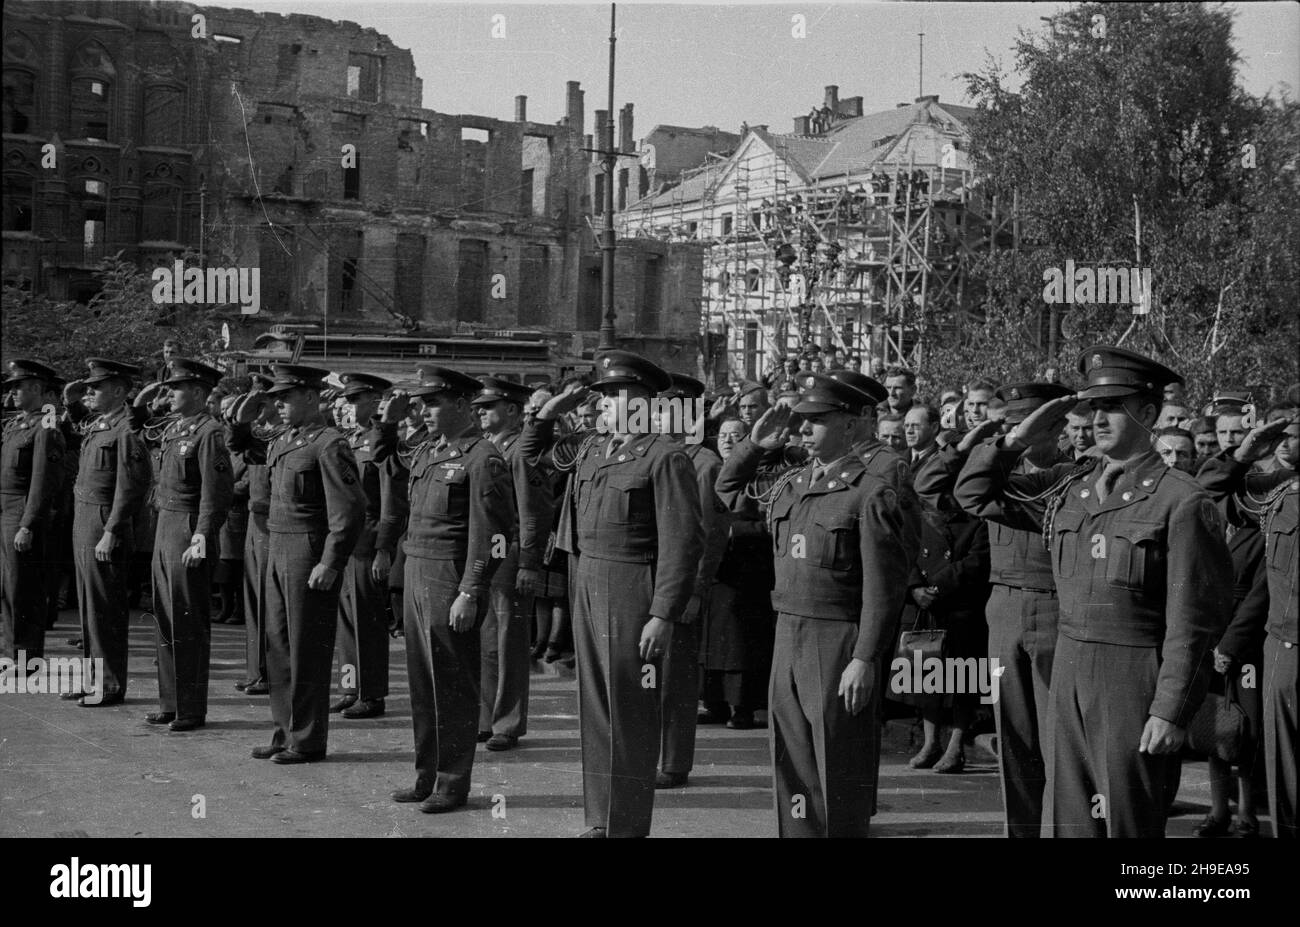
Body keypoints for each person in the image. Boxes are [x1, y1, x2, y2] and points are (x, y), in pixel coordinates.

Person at [954, 345, 1233, 837]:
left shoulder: (1181, 501)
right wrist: (1015, 439)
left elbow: (1195, 621)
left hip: (1133, 679)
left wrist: (1171, 709)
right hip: (1067, 670)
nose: (1099, 419)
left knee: (1126, 822)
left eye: (1114, 406)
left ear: (1147, 413)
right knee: (1070, 822)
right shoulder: (1070, 490)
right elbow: (973, 492)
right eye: (1095, 407)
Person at [716, 373, 912, 837]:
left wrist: (865, 657)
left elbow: (884, 587)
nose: (803, 430)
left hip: (838, 640)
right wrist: (754, 447)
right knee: (792, 763)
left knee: (838, 765)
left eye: (816, 421)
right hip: (787, 632)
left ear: (849, 423)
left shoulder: (871, 492)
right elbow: (728, 493)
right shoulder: (792, 484)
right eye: (801, 420)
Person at [529, 350, 702, 837]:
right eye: (602, 396)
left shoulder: (664, 456)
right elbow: (530, 458)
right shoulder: (592, 449)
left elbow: (682, 541)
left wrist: (663, 614)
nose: (603, 404)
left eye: (614, 396)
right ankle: (600, 820)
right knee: (596, 708)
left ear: (645, 403)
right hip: (585, 580)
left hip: (632, 588)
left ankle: (625, 825)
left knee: (630, 709)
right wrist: (548, 414)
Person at [917, 382, 1071, 833]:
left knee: (1057, 733)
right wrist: (966, 445)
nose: (1014, 429)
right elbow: (929, 486)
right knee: (1014, 734)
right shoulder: (994, 470)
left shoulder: (1072, 473)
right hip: (1002, 608)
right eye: (1009, 423)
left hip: (1054, 606)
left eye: (1025, 423)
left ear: (1055, 426)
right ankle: (1021, 829)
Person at [391, 367, 513, 812]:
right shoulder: (428, 453)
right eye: (424, 403)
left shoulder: (483, 459)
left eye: (434, 402)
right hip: (419, 575)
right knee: (423, 686)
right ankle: (426, 774)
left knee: (453, 686)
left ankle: (452, 782)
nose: (425, 410)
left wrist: (471, 589)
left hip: (451, 579)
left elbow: (495, 534)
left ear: (463, 405)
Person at [252, 365, 366, 764]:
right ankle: (285, 732)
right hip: (279, 547)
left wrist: (331, 561)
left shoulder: (329, 444)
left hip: (308, 552)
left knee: (307, 648)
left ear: (312, 398)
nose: (278, 404)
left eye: (286, 397)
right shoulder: (284, 440)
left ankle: (308, 738)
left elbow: (349, 510)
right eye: (277, 397)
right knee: (279, 646)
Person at [1196, 415, 1297, 838]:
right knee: (1285, 771)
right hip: (1283, 649)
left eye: (1294, 435)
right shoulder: (1275, 493)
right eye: (1283, 435)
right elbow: (1210, 492)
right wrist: (1241, 456)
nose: (1286, 443)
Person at [145, 359, 233, 731]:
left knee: (188, 621)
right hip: (165, 526)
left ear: (198, 392)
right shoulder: (174, 430)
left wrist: (202, 535)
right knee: (165, 619)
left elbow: (216, 493)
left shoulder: (210, 433)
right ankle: (171, 701)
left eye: (176, 388)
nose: (169, 394)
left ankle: (191, 708)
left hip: (187, 530)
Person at [655, 374, 728, 788]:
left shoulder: (704, 464)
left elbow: (708, 535)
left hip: (682, 589)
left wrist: (697, 588)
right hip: (654, 584)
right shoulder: (654, 456)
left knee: (675, 679)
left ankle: (674, 760)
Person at [471, 377, 552, 750]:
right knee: (486, 640)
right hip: (488, 551)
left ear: (513, 412)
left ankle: (507, 723)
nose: (481, 413)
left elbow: (533, 512)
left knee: (507, 641)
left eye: (489, 407)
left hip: (511, 553)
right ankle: (487, 717)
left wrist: (529, 563)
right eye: (480, 407)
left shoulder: (521, 451)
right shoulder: (487, 448)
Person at [70, 359, 153, 706]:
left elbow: (131, 487)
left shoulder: (126, 430)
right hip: (84, 519)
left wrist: (113, 529)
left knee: (105, 609)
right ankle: (92, 678)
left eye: (97, 387)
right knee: (89, 607)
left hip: (105, 523)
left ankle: (109, 684)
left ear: (119, 391)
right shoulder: (99, 425)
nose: (89, 392)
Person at [332, 373, 407, 720]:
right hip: (348, 542)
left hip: (369, 543)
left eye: (356, 399)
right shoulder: (354, 440)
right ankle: (350, 687)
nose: (349, 405)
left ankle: (372, 694)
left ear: (377, 400)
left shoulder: (387, 443)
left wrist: (384, 548)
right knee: (347, 624)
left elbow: (392, 502)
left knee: (368, 625)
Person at [700, 416, 776, 729]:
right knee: (714, 639)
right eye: (724, 435)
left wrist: (734, 532)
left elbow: (771, 523)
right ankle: (714, 702)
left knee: (740, 644)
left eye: (737, 435)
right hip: (717, 567)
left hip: (748, 567)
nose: (729, 440)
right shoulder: (709, 469)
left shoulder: (761, 478)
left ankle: (742, 707)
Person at [1, 360, 66, 661]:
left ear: (38, 389)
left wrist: (28, 524)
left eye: (19, 386)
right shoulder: (17, 424)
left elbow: (42, 481)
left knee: (23, 589)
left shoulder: (46, 426)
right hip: (5, 511)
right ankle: (11, 654)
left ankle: (26, 660)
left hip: (21, 513)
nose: (13, 392)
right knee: (7, 587)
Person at [227, 374, 281, 695]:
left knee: (270, 603)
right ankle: (256, 671)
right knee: (253, 601)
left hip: (275, 526)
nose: (258, 408)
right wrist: (245, 409)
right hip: (255, 522)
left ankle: (269, 672)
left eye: (264, 401)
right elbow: (236, 442)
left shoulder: (283, 435)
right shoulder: (259, 434)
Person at [903, 404, 940, 472]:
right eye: (906, 426)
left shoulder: (943, 460)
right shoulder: (897, 458)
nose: (909, 431)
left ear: (934, 427)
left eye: (916, 426)